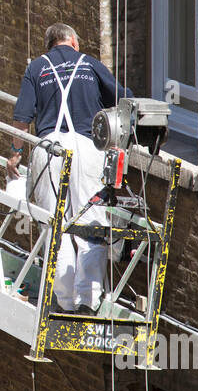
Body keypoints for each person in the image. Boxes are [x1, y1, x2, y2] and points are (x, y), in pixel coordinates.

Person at [7, 22, 130, 314]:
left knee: (55, 225)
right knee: (90, 224)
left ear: (49, 45)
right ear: (74, 42)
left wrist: (14, 154)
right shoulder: (89, 63)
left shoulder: (36, 68)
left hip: (49, 149)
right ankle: (88, 299)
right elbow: (124, 99)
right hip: (88, 149)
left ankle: (63, 300)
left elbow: (22, 119)